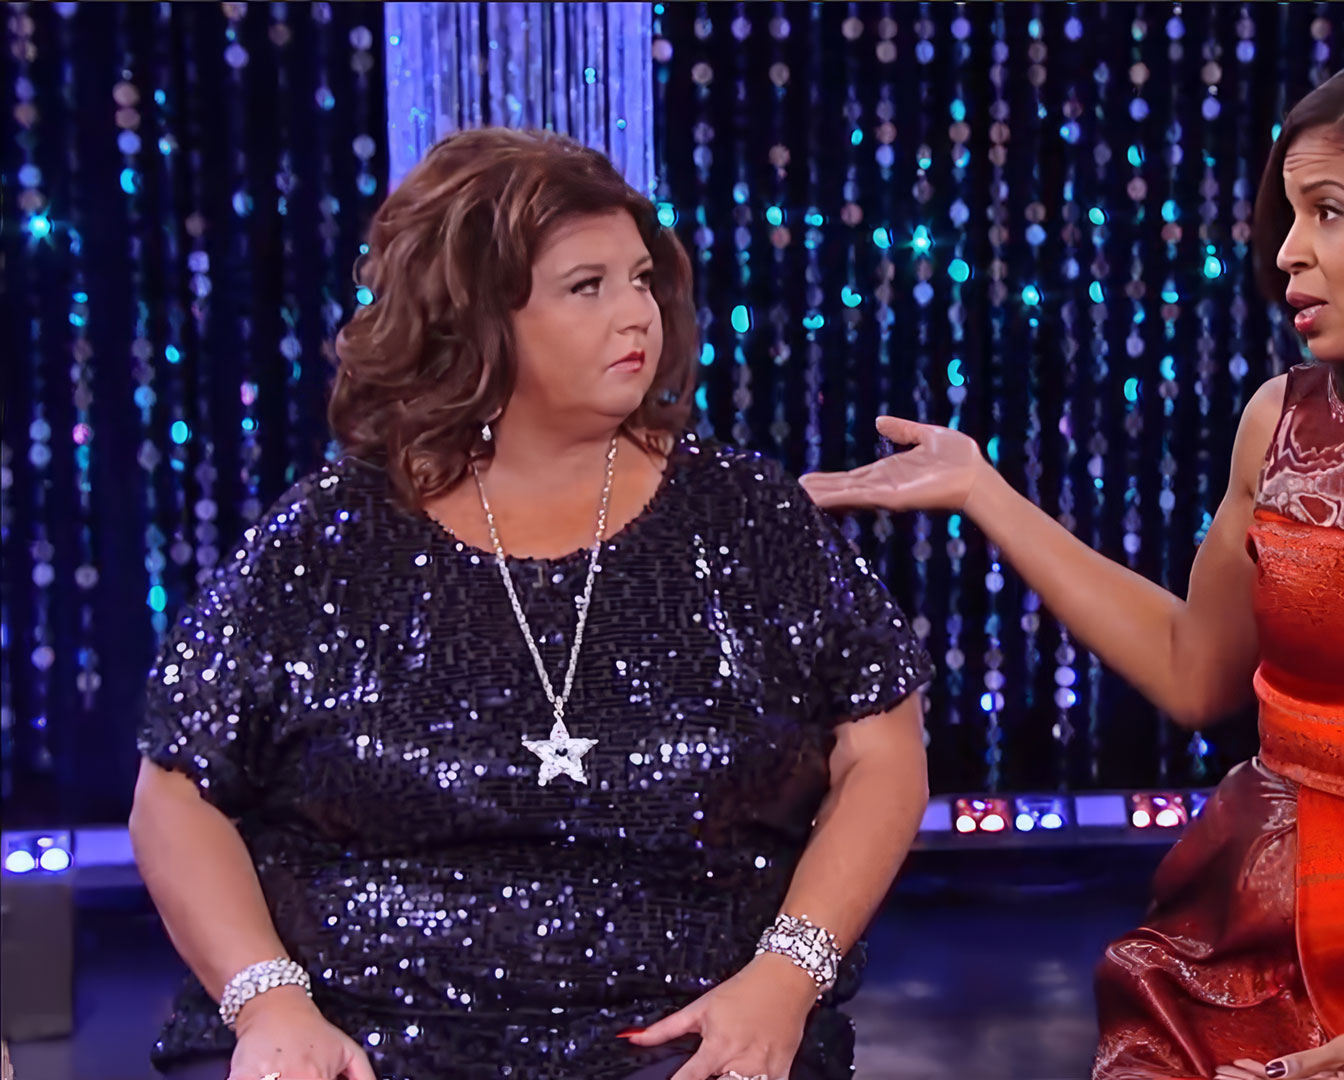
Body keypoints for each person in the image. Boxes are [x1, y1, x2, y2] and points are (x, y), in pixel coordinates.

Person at [801, 53, 1344, 1080]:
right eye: (1289, 216)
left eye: (1327, 212)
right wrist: (984, 491)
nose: (1286, 253)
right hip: (1259, 956)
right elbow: (1195, 671)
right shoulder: (1282, 423)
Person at [129, 127, 934, 1080]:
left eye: (641, 280)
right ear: (474, 319)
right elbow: (174, 797)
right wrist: (269, 1004)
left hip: (687, 1038)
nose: (636, 315)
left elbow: (882, 755)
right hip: (352, 1039)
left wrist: (786, 978)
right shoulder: (328, 534)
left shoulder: (747, 516)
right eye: (587, 287)